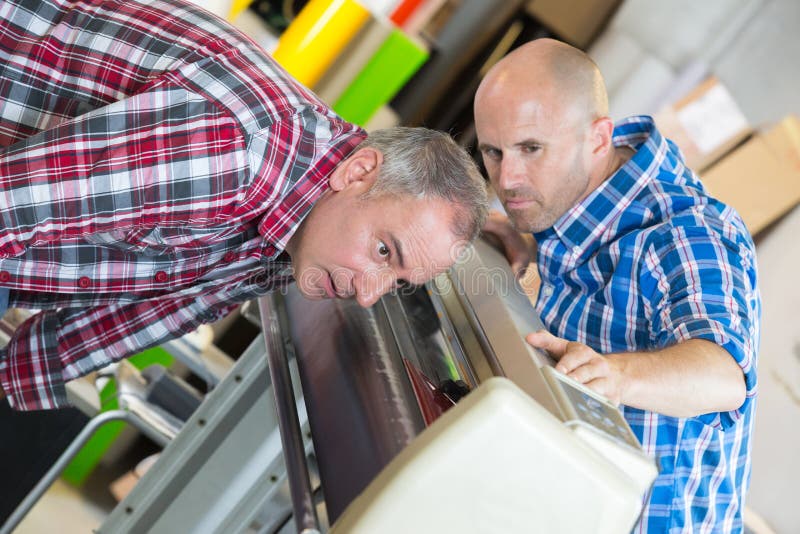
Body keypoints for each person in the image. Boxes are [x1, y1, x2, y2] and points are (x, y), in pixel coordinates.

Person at [0, 0, 488, 411]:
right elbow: (11, 205)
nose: (367, 294)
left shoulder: (300, 233)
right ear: (358, 173)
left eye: (397, 284)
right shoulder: (235, 151)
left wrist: (15, 379)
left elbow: (163, 310)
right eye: (385, 253)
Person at [475, 39, 759, 533]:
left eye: (530, 148)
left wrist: (615, 375)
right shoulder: (570, 188)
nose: (508, 178)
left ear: (598, 138)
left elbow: (724, 375)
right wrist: (518, 236)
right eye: (492, 153)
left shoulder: (685, 232)